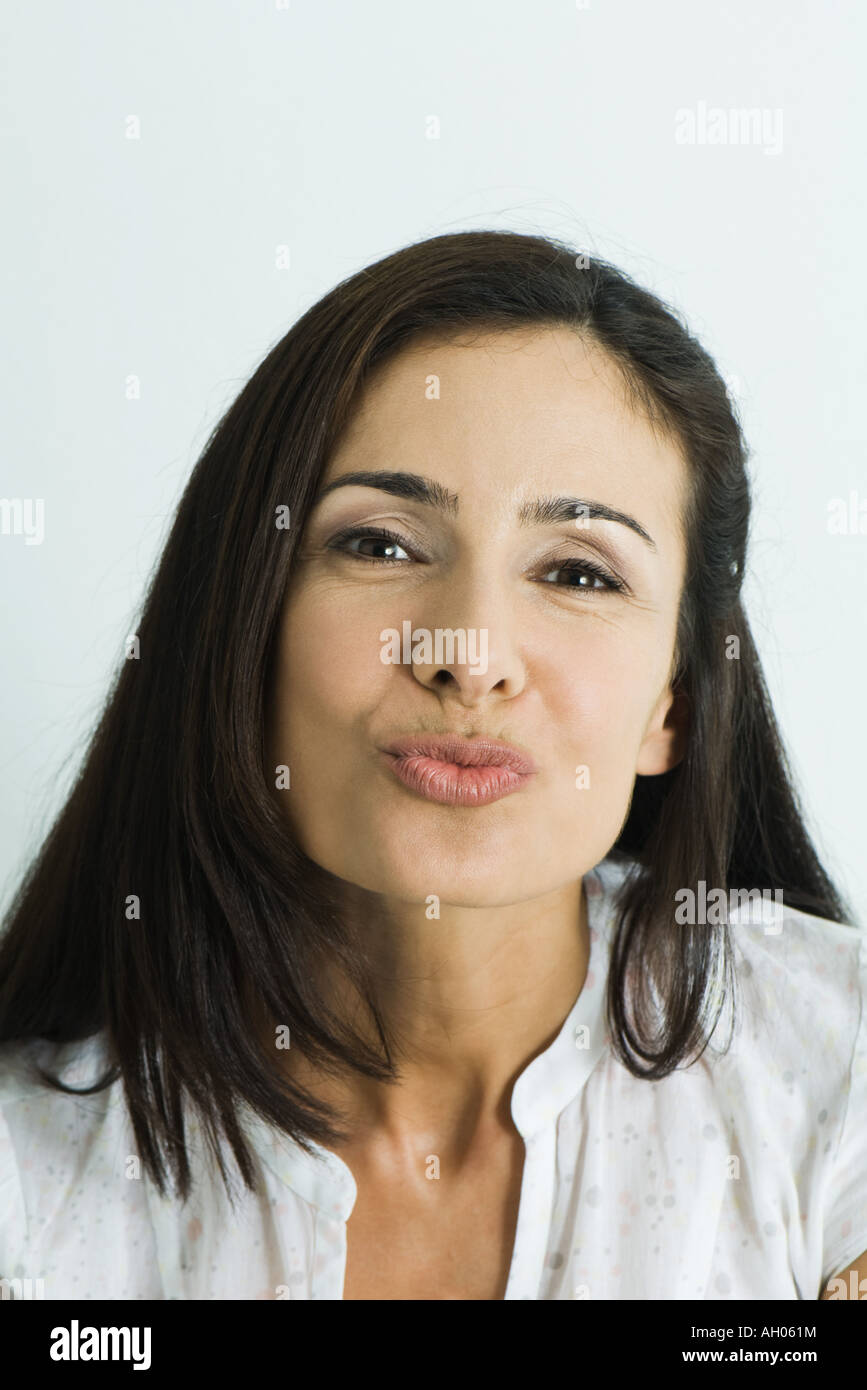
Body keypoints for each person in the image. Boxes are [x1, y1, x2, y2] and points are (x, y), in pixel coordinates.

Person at [0, 230, 864, 1301]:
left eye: (579, 572)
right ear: (245, 624)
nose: (468, 655)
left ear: (674, 707)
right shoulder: (32, 1183)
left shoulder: (838, 1090)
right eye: (381, 545)